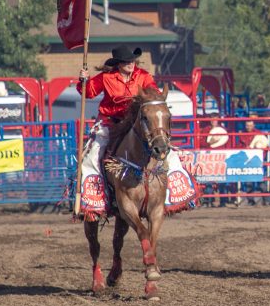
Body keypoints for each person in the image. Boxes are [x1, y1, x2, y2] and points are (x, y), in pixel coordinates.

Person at [76, 45, 195, 217]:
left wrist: (155, 99)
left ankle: (176, 194)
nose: (131, 64)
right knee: (93, 152)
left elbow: (152, 92)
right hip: (111, 122)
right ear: (118, 64)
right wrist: (83, 81)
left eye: (132, 60)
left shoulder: (143, 76)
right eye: (126, 61)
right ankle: (94, 197)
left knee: (167, 150)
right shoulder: (106, 77)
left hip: (136, 122)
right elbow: (89, 92)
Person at [243, 120, 270, 206]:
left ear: (254, 125)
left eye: (250, 125)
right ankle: (251, 200)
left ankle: (266, 200)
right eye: (247, 125)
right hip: (248, 160)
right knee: (249, 181)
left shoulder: (259, 134)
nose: (249, 127)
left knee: (261, 181)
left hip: (258, 160)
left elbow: (265, 148)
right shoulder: (243, 135)